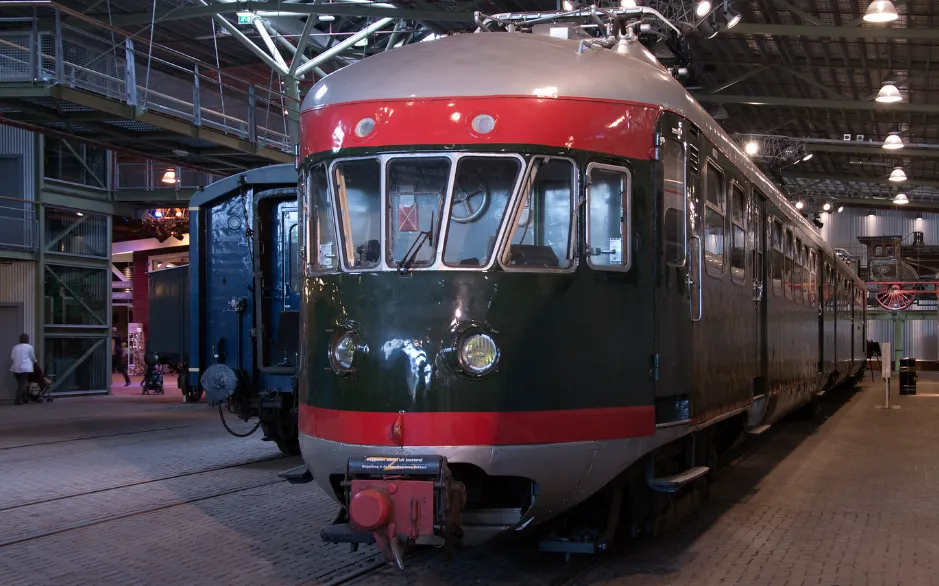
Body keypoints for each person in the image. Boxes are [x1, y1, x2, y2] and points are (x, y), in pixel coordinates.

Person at [10, 333, 36, 406]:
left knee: (20, 384)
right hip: (25, 368)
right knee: (22, 385)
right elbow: (32, 357)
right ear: (27, 339)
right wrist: (35, 361)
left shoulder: (15, 347)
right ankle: (17, 400)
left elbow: (12, 357)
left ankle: (24, 398)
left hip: (15, 368)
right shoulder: (29, 347)